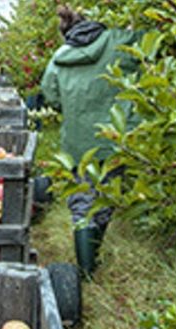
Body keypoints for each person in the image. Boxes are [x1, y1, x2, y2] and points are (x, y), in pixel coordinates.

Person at [41, 7, 141, 277]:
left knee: (82, 203)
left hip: (77, 142)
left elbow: (51, 96)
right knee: (106, 196)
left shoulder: (59, 57)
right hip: (115, 138)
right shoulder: (118, 40)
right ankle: (93, 260)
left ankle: (86, 271)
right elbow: (152, 47)